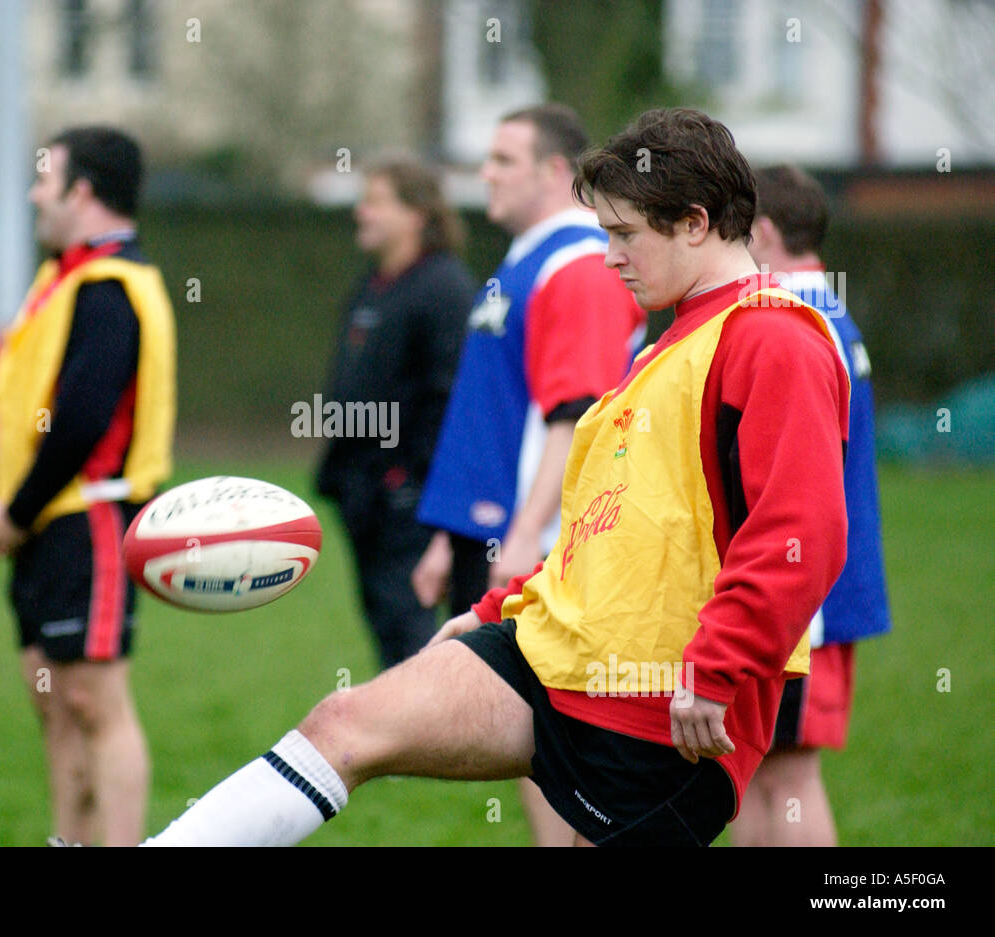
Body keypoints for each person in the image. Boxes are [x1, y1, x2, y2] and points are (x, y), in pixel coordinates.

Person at [140, 107, 850, 848]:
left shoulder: (772, 337)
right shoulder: (665, 345)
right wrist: (497, 607)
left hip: (655, 704)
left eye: (624, 233)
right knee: (344, 723)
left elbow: (802, 535)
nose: (609, 256)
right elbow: (609, 531)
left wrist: (718, 666)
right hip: (553, 655)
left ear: (696, 222)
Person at [410, 103, 645, 844]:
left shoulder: (577, 265)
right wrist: (449, 532)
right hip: (490, 532)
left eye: (504, 159)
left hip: (539, 542)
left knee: (554, 733)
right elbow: (498, 413)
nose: (485, 173)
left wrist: (522, 536)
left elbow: (575, 417)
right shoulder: (526, 259)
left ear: (554, 170)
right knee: (525, 732)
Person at [0, 125, 175, 847]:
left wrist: (16, 511)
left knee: (94, 699)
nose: (33, 195)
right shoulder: (65, 276)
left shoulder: (112, 285)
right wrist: (7, 505)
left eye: (44, 180)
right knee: (53, 698)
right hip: (46, 521)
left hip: (93, 519)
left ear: (81, 191)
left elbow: (82, 420)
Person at [732, 164, 891, 847]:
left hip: (805, 597)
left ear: (765, 232)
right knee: (755, 770)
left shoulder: (796, 321)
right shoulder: (827, 313)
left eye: (737, 232)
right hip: (813, 585)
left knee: (789, 775)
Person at [314, 157, 475, 668]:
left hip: (407, 502)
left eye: (376, 201)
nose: (361, 212)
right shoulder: (374, 283)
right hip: (363, 494)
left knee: (413, 638)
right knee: (387, 631)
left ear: (416, 214)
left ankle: (432, 720)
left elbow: (450, 399)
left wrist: (407, 480)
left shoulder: (444, 288)